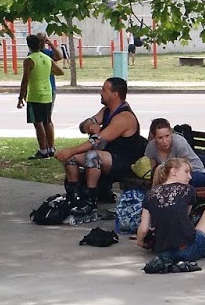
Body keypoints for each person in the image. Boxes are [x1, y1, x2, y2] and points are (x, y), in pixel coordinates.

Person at [55, 77, 144, 223]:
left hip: (124, 162)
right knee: (71, 159)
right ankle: (74, 198)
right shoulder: (106, 110)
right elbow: (83, 126)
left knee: (92, 156)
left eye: (104, 90)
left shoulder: (124, 117)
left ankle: (90, 203)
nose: (100, 93)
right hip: (107, 156)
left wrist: (72, 150)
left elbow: (96, 141)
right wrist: (90, 126)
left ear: (115, 94)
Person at [135, 157, 205, 274]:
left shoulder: (150, 194)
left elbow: (143, 228)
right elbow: (184, 217)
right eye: (186, 172)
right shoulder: (188, 190)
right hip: (190, 249)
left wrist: (140, 242)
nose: (190, 177)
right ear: (173, 171)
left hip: (165, 252)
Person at [17, 33, 63, 159]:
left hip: (35, 94)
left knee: (38, 123)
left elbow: (25, 79)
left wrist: (21, 96)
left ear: (29, 45)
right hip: (47, 93)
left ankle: (43, 150)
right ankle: (51, 148)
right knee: (47, 121)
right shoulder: (47, 58)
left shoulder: (29, 59)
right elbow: (60, 71)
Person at [141, 118, 205, 187]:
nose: (164, 141)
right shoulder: (151, 146)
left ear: (171, 133)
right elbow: (154, 172)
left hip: (193, 173)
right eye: (160, 138)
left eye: (167, 136)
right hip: (172, 175)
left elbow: (183, 170)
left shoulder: (179, 144)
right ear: (154, 137)